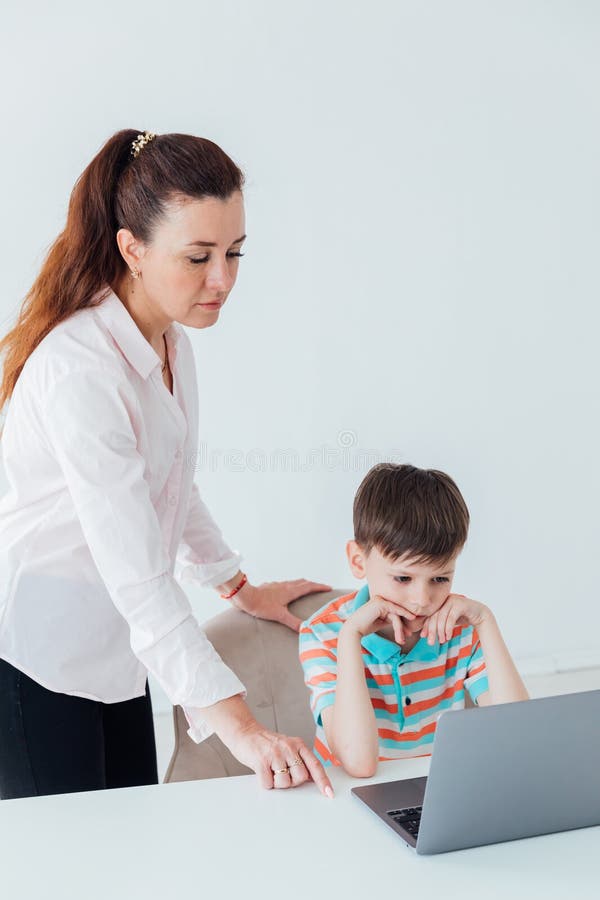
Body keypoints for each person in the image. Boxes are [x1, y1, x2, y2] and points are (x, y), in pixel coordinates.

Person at [0, 128, 334, 801]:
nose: (224, 280)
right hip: (34, 661)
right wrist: (244, 729)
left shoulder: (170, 343)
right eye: (198, 256)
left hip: (121, 651)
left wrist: (237, 587)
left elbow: (173, 487)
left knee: (131, 853)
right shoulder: (80, 372)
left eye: (235, 252)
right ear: (133, 248)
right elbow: (140, 575)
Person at [299, 462, 529, 776]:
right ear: (357, 560)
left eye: (440, 579)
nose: (422, 601)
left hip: (433, 797)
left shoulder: (460, 630)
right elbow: (359, 763)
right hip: (346, 802)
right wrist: (351, 637)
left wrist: (485, 621)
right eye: (404, 578)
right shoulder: (324, 633)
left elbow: (519, 737)